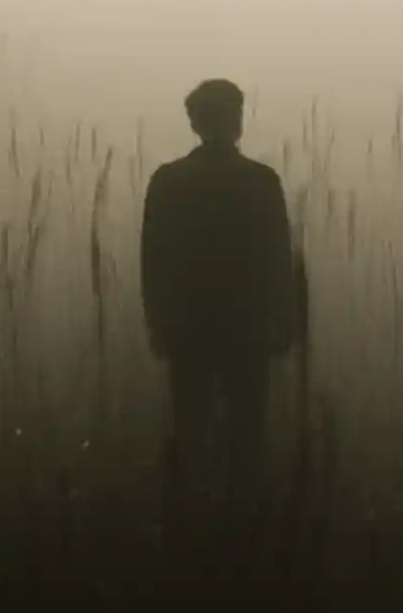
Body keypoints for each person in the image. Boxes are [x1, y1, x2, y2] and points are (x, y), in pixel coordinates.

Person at [141, 79, 297, 575]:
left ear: (195, 122)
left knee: (195, 427)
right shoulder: (260, 181)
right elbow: (278, 256)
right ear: (234, 120)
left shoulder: (169, 181)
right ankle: (238, 534)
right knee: (244, 432)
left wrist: (159, 321)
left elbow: (154, 261)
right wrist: (285, 318)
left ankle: (192, 533)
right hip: (243, 325)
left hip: (193, 326)